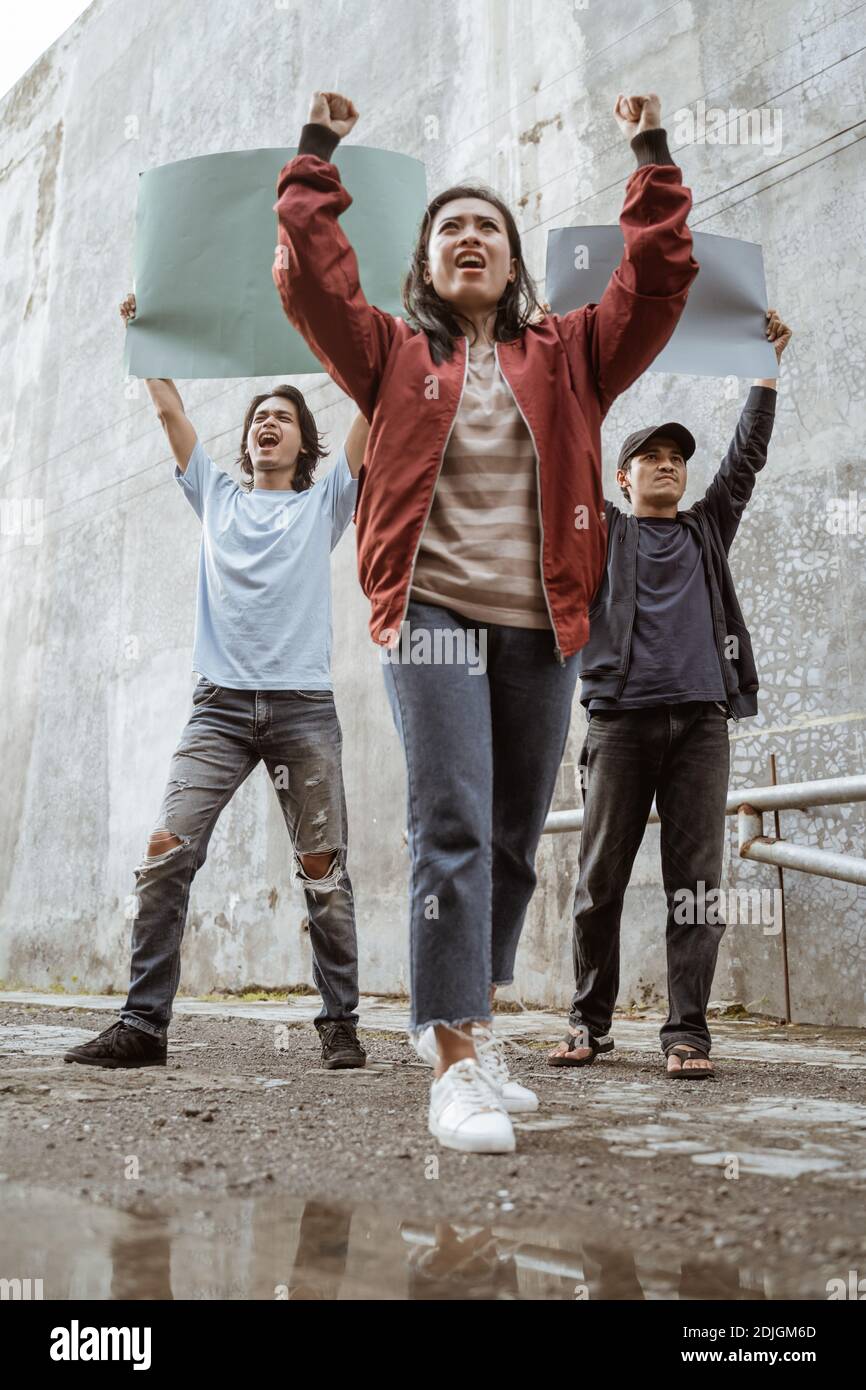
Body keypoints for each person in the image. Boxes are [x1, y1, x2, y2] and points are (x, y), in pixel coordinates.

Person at [271, 88, 698, 1150]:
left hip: (542, 624)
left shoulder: (569, 353)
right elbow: (312, 273)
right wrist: (317, 153)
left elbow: (655, 278)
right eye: (449, 228)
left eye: (488, 229)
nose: (469, 238)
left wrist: (646, 151)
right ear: (426, 263)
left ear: (512, 264)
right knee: (452, 820)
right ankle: (452, 1052)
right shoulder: (390, 352)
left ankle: (470, 1013)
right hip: (431, 616)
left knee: (510, 840)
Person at [64, 292, 368, 1072]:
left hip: (302, 707)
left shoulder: (325, 502)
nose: (266, 423)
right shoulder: (218, 495)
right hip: (219, 709)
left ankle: (339, 1023)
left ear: (304, 444)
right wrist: (145, 333)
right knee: (167, 851)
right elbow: (169, 412)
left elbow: (373, 410)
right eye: (257, 416)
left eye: (284, 417)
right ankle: (142, 1026)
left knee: (322, 870)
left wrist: (387, 333)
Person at [547, 309, 792, 1079]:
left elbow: (744, 461)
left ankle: (686, 1032)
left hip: (701, 727)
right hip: (619, 723)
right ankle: (589, 1024)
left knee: (697, 887)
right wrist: (574, 375)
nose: (665, 466)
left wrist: (764, 371)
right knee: (599, 883)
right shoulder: (608, 533)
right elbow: (565, 459)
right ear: (622, 477)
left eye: (674, 459)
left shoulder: (706, 530)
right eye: (647, 458)